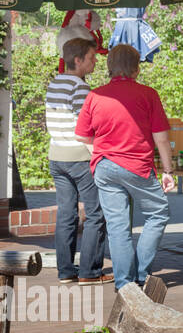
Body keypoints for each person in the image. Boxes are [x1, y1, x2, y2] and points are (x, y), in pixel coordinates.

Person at [74, 45, 176, 290]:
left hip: (105, 167)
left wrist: (100, 154)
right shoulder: (148, 94)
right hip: (137, 166)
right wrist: (168, 171)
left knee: (118, 226)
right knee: (158, 213)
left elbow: (83, 137)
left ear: (110, 66)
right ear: (136, 67)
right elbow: (161, 138)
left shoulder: (95, 96)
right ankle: (141, 275)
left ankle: (124, 284)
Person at [45, 37, 111, 285]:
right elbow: (86, 128)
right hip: (79, 157)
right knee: (95, 214)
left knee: (66, 214)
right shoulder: (81, 88)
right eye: (92, 58)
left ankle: (65, 271)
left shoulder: (55, 83)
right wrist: (96, 154)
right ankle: (90, 272)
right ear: (78, 60)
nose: (95, 62)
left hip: (57, 156)